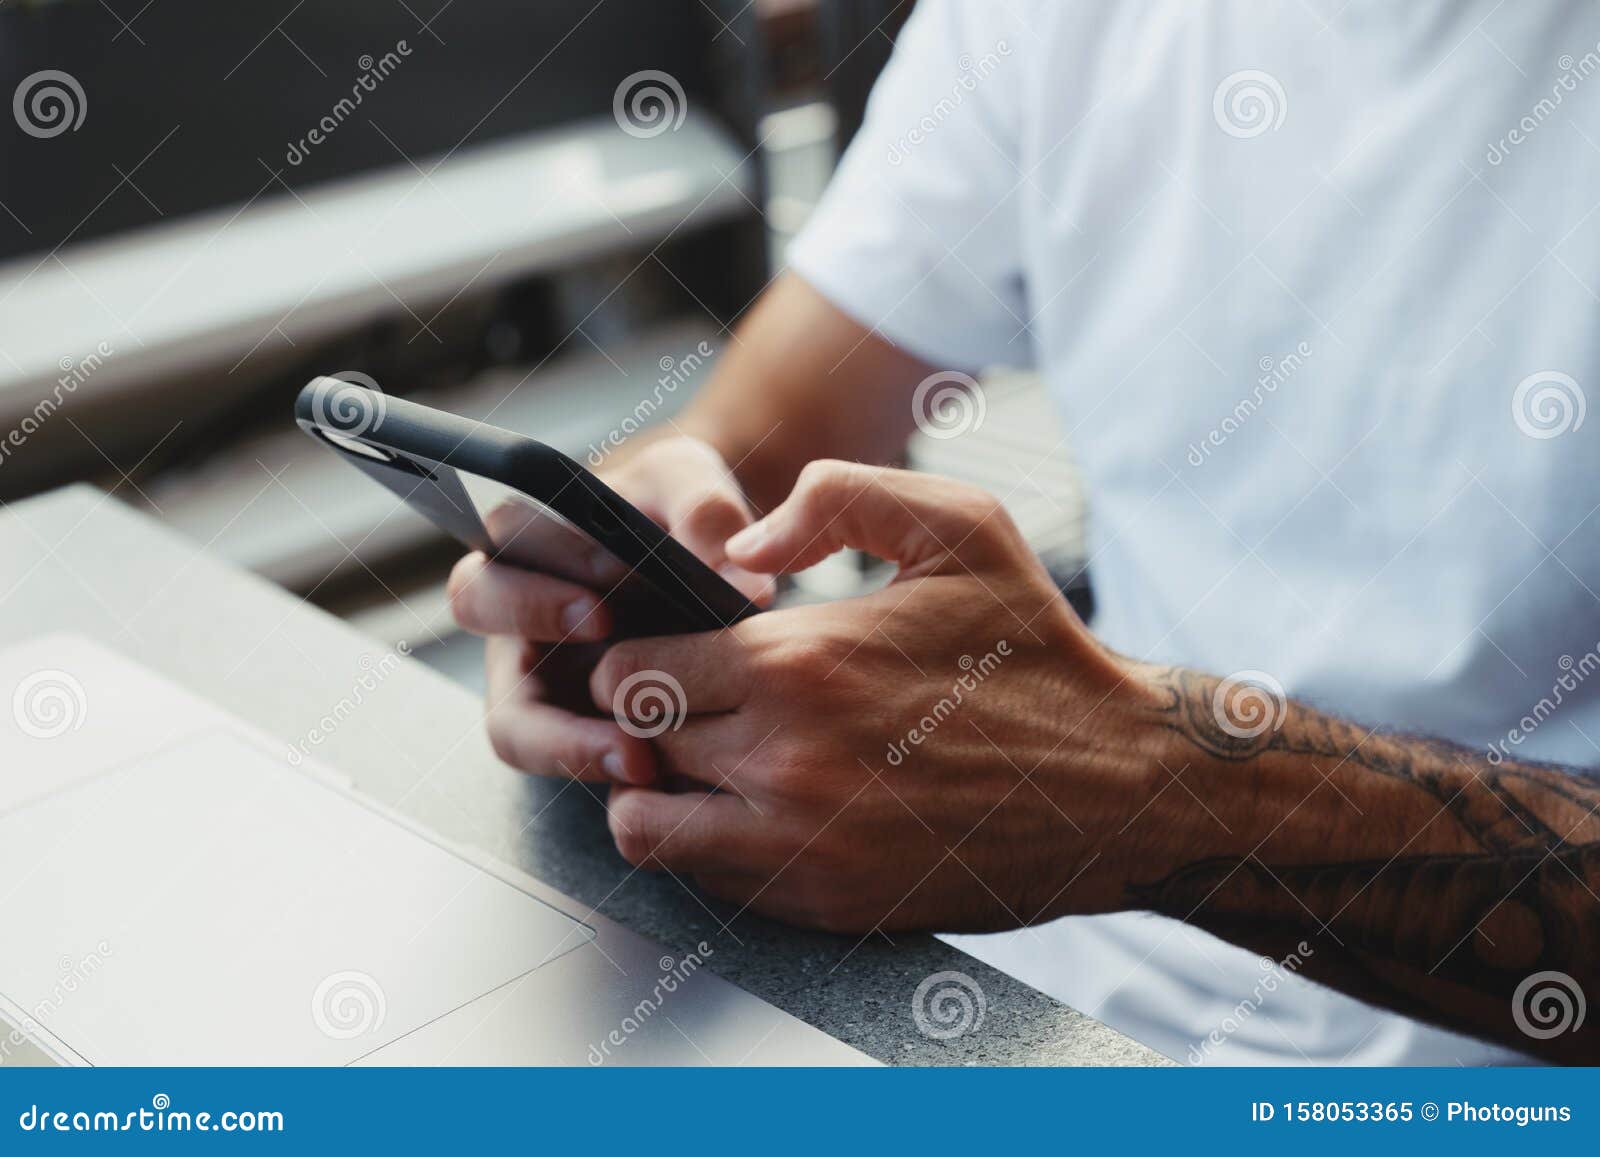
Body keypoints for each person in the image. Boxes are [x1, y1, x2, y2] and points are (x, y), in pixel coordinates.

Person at [448, 0, 1600, 1065]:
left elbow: (1125, 784)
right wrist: (607, 546)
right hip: (1039, 997)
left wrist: (1152, 791)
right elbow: (746, 442)